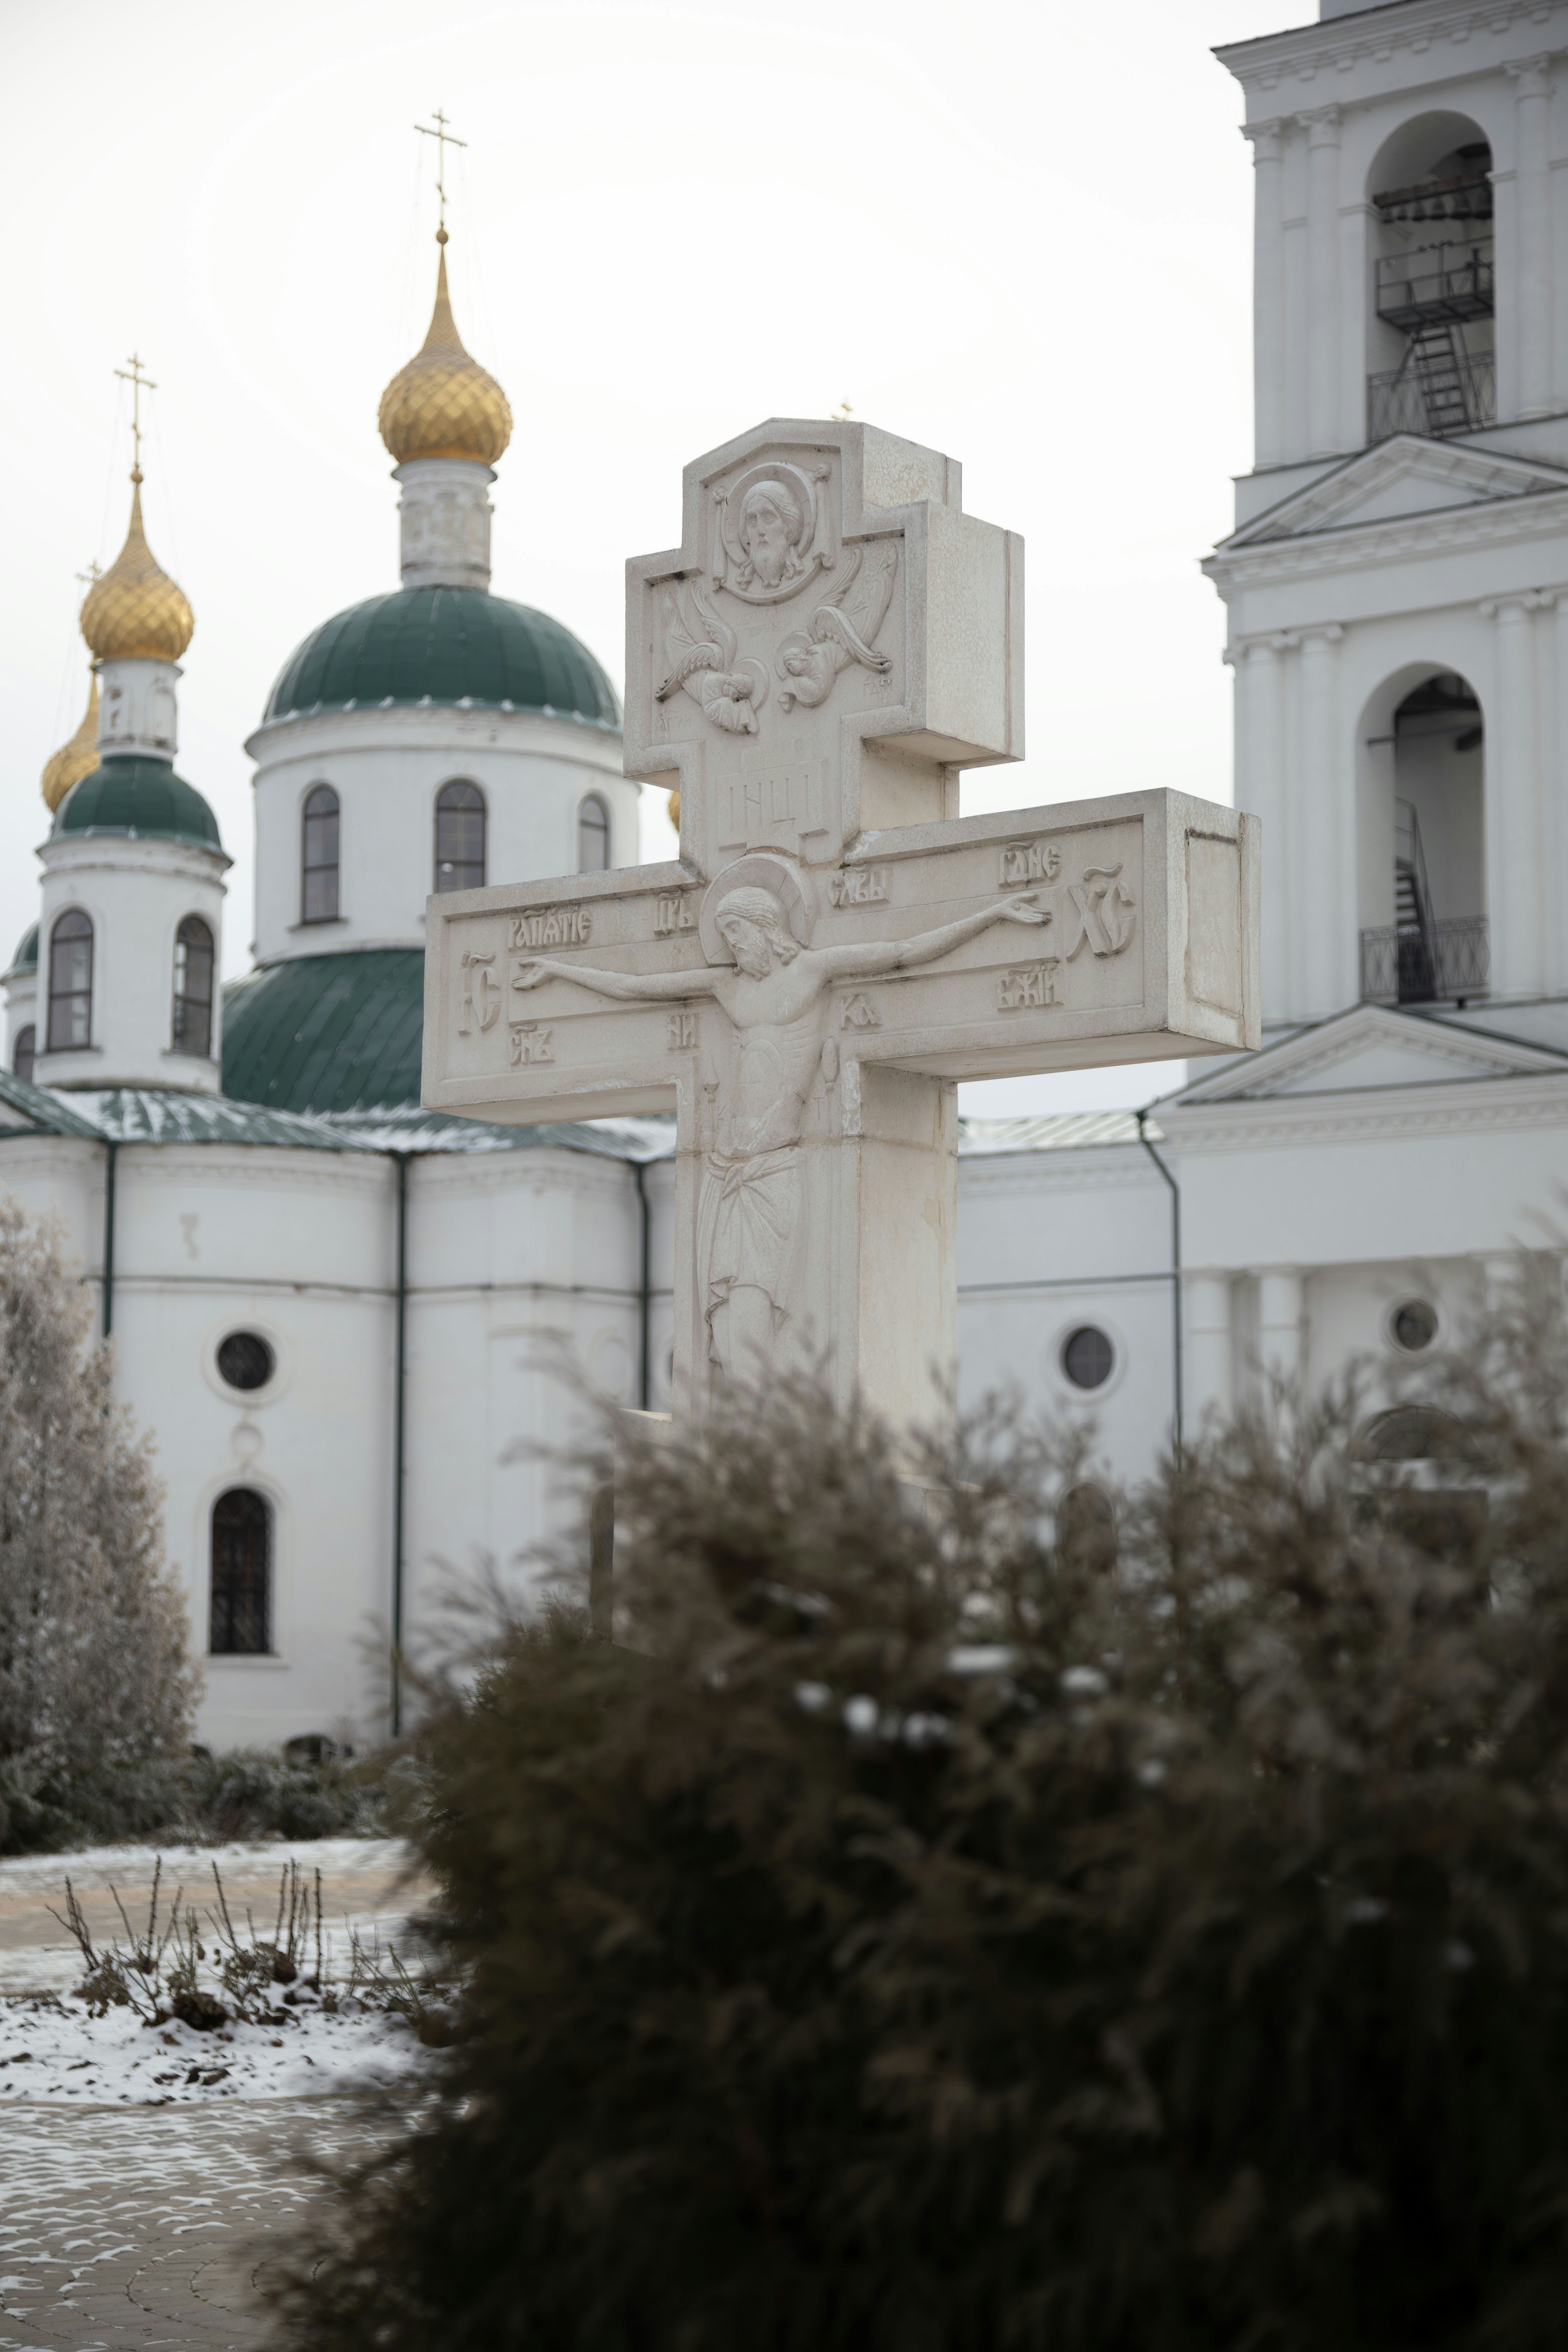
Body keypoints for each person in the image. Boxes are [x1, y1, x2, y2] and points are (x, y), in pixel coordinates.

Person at [513, 884, 1048, 1374]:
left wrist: (993, 915)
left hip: (774, 1170)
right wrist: (559, 972)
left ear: (765, 926)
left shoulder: (814, 972)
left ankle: (769, 1454)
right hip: (726, 1170)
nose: (730, 946)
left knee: (750, 1322)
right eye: (724, 935)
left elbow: (904, 952)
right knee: (722, 1331)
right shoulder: (726, 986)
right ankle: (751, 1453)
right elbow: (636, 988)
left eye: (736, 933)